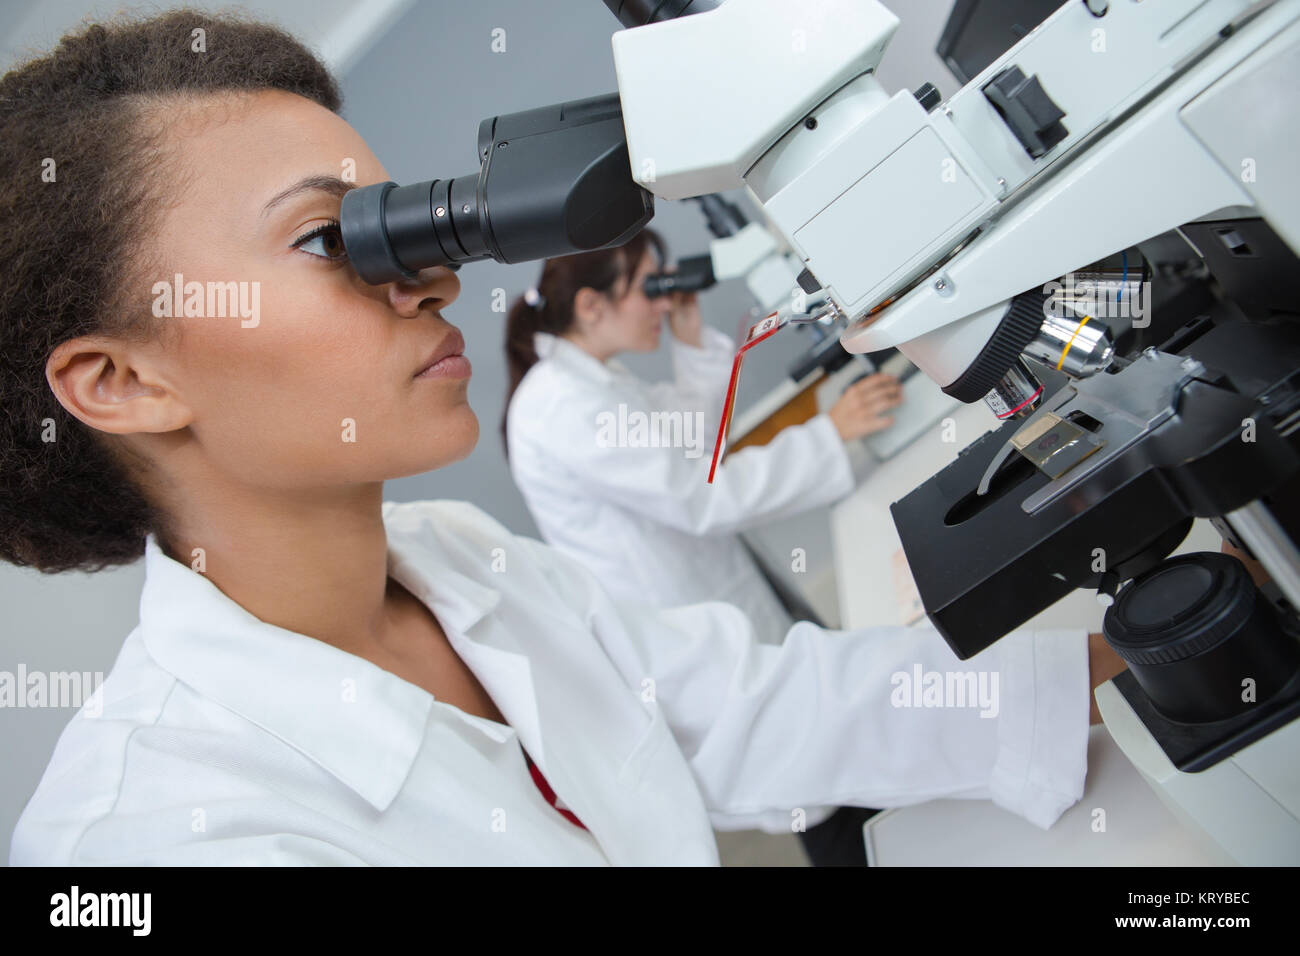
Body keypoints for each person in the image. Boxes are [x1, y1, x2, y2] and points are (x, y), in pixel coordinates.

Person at [3, 10, 1125, 867]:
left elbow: (743, 710)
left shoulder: (458, 556)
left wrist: (1101, 665)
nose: (433, 271)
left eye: (396, 217)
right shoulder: (159, 840)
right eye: (323, 237)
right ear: (120, 380)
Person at [503, 237, 904, 649]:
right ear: (591, 306)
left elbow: (696, 446)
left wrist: (691, 341)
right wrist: (829, 434)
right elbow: (703, 497)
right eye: (650, 288)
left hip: (712, 603)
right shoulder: (561, 405)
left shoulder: (597, 383)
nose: (663, 303)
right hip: (687, 634)